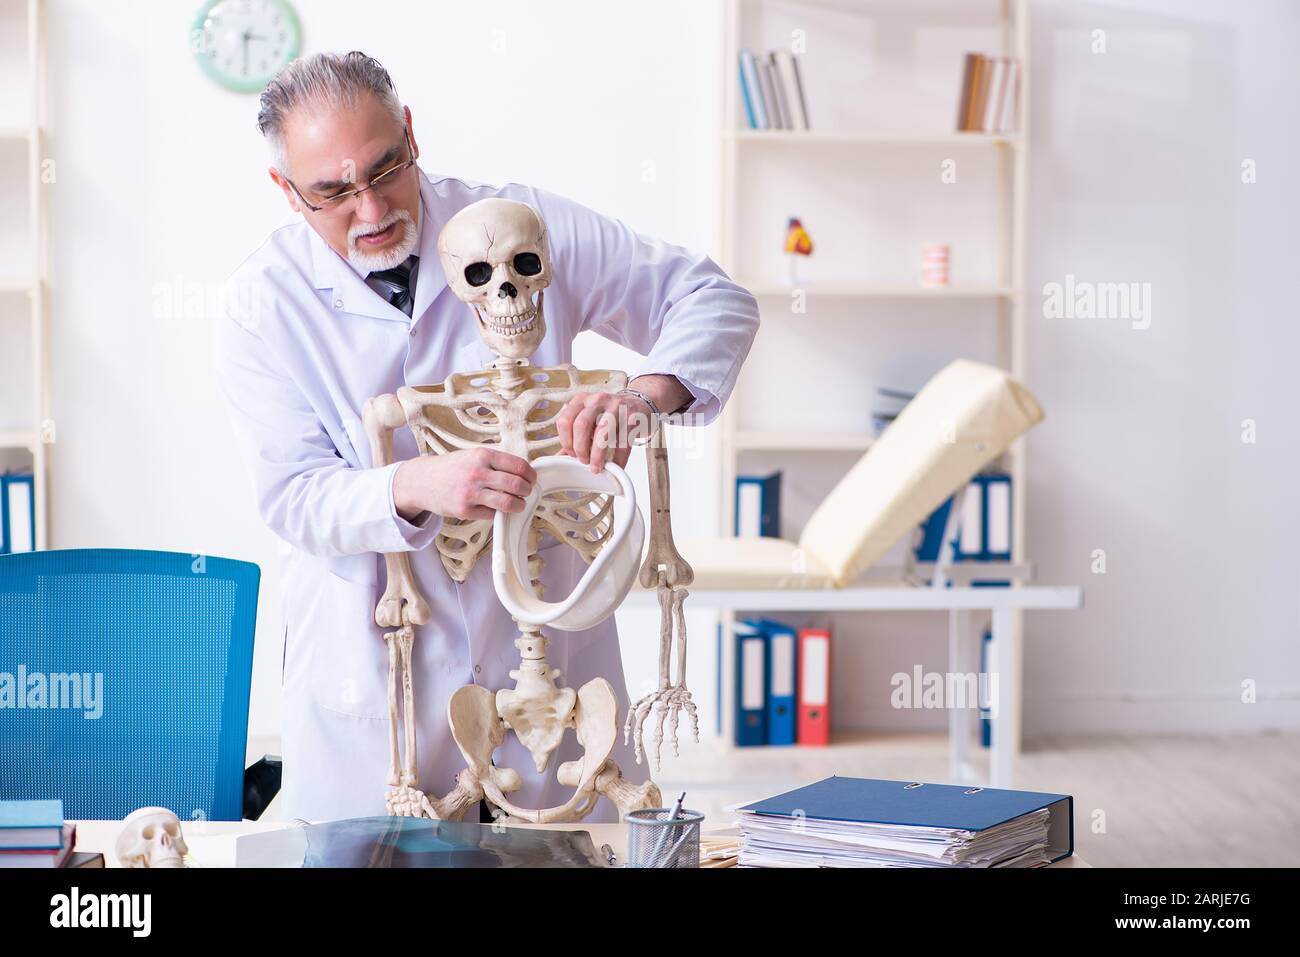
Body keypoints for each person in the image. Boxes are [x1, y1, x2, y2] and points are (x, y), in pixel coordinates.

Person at [213, 51, 759, 822]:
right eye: (334, 192)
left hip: (550, 666)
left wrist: (642, 394)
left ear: (411, 132)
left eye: (385, 169)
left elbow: (712, 298)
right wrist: (414, 485)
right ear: (287, 192)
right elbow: (294, 494)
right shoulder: (262, 305)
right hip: (377, 680)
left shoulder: (518, 227)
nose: (371, 211)